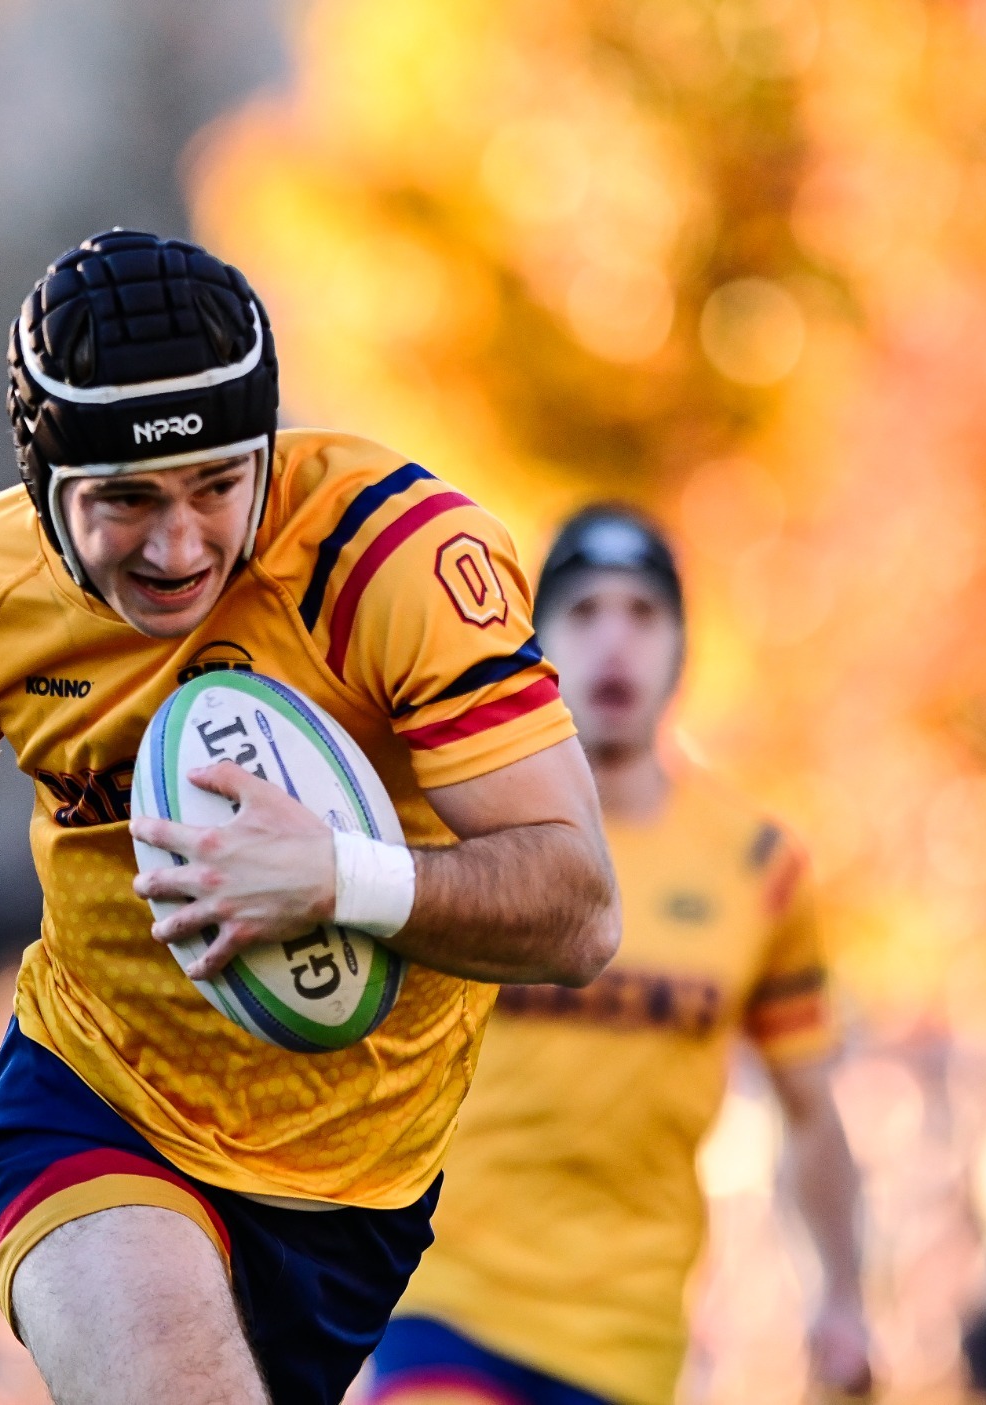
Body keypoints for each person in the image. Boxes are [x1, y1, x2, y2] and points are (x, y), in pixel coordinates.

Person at [0, 229, 621, 1405]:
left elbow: (577, 909)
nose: (179, 543)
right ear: (46, 497)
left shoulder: (391, 558)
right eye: (128, 501)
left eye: (215, 485)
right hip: (93, 1097)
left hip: (357, 1175)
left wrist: (339, 878)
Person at [365, 506, 874, 1405]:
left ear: (681, 648)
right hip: (444, 1300)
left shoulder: (761, 867)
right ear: (537, 642)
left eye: (642, 614)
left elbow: (809, 1113)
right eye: (586, 610)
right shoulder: (448, 832)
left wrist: (840, 1296)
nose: (613, 643)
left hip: (629, 1340)